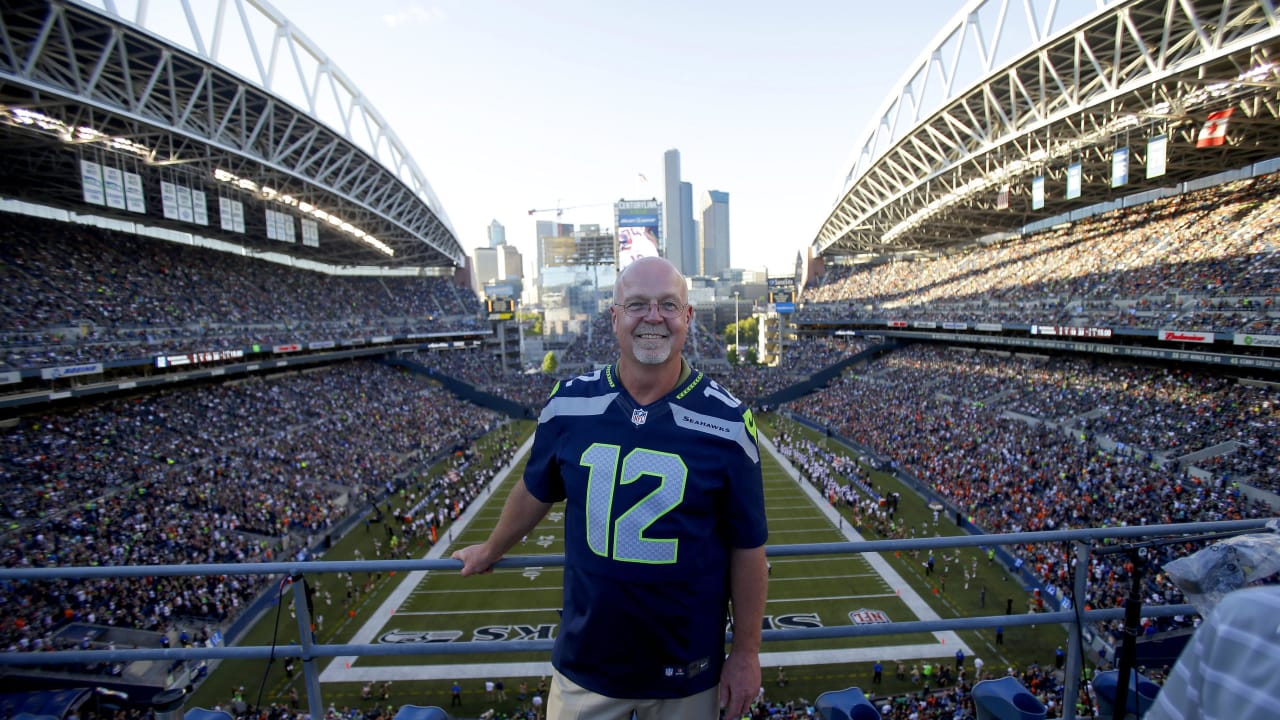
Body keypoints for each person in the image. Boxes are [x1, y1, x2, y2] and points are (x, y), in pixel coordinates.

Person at [453, 257, 769, 720]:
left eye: (668, 304)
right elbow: (534, 490)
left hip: (687, 667)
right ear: (614, 316)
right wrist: (491, 548)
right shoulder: (568, 405)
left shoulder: (728, 421)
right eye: (637, 304)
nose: (653, 317)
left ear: (688, 317)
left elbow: (748, 549)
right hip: (588, 662)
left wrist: (745, 653)